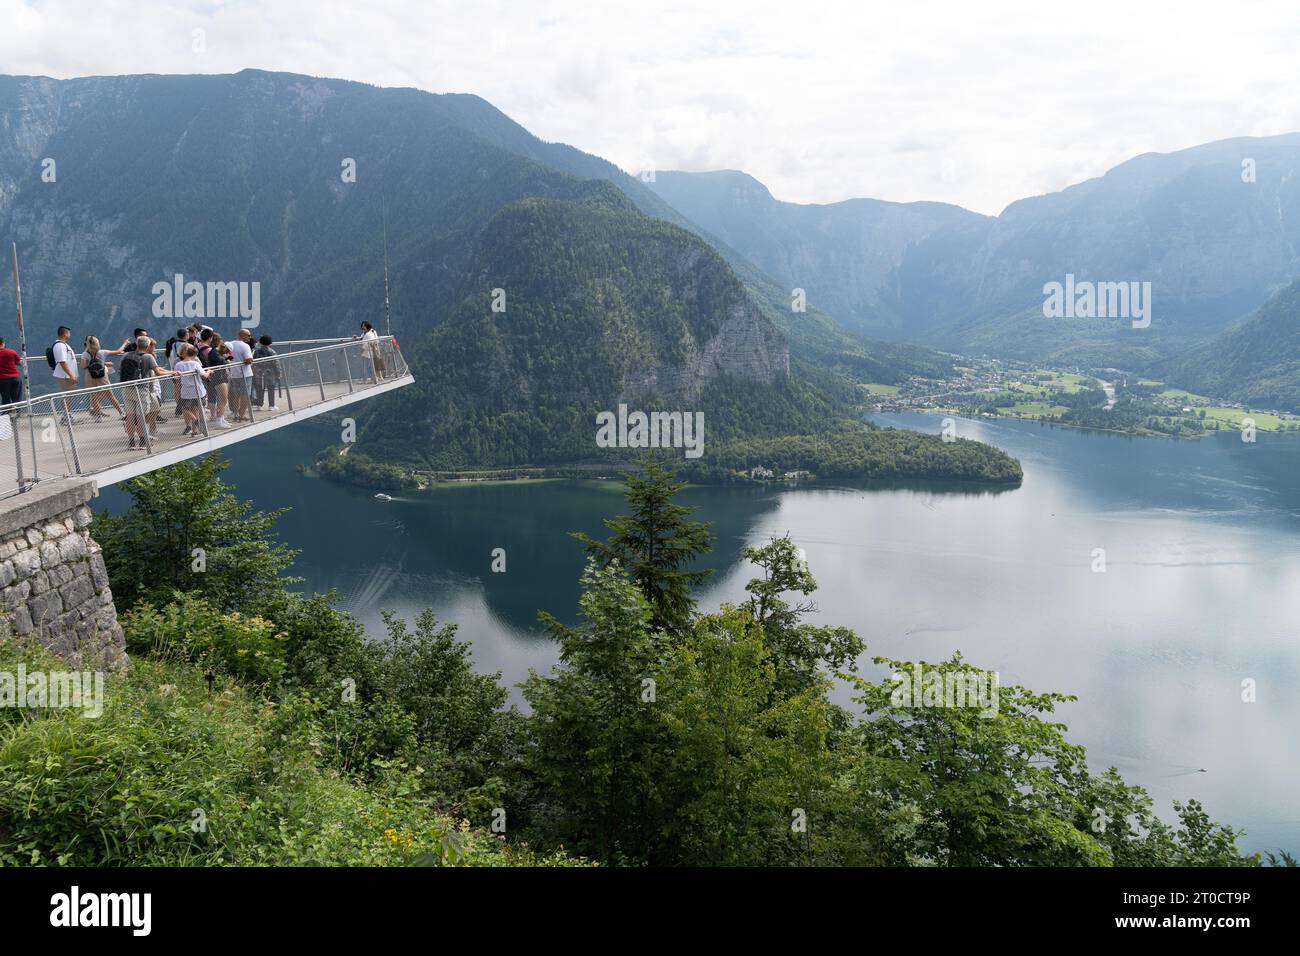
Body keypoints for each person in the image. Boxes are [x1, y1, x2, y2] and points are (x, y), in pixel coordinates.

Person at [118, 335, 161, 449]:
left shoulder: (126, 355)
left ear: (137, 344)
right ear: (147, 346)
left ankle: (131, 442)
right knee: (141, 417)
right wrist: (173, 373)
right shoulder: (148, 357)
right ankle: (142, 442)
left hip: (127, 389)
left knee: (130, 417)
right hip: (142, 390)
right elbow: (158, 372)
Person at [80, 335, 124, 420]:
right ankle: (121, 413)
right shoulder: (102, 352)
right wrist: (125, 344)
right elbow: (118, 351)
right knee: (110, 395)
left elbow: (83, 366)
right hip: (102, 375)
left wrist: (90, 364)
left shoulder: (85, 354)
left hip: (90, 376)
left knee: (94, 396)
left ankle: (98, 416)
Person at [172, 343, 210, 437]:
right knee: (196, 409)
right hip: (198, 390)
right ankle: (195, 428)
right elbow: (204, 376)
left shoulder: (178, 364)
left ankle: (194, 426)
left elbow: (176, 379)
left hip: (186, 391)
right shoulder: (196, 363)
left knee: (185, 408)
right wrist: (209, 371)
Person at [50, 326, 79, 422]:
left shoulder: (63, 345)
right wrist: (71, 375)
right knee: (66, 396)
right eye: (69, 333)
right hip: (65, 376)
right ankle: (66, 416)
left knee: (68, 396)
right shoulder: (60, 346)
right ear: (65, 334)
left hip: (67, 375)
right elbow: (62, 362)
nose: (70, 335)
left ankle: (67, 415)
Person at [227, 328, 255, 421]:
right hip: (245, 374)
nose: (250, 337)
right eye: (248, 335)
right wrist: (247, 361)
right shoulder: (245, 346)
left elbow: (227, 358)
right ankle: (241, 415)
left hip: (234, 374)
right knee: (245, 396)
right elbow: (249, 360)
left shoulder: (230, 344)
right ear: (243, 336)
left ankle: (236, 415)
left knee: (237, 395)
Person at [204, 333, 231, 429]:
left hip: (219, 377)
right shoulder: (214, 351)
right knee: (223, 399)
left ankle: (221, 418)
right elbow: (220, 361)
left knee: (222, 399)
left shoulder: (215, 351)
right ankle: (219, 420)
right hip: (218, 378)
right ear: (218, 340)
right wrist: (226, 361)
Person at [252, 334, 280, 411]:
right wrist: (278, 374)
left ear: (260, 342)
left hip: (258, 373)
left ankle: (259, 405)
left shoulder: (256, 352)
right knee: (271, 389)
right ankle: (271, 406)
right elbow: (276, 364)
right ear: (270, 343)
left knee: (259, 389)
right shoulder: (272, 352)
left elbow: (253, 362)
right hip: (270, 373)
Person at [0, 338, 23, 409]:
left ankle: (6, 416)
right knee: (16, 399)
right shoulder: (11, 352)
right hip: (15, 378)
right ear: (3, 343)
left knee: (5, 399)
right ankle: (17, 415)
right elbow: (19, 363)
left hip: (2, 380)